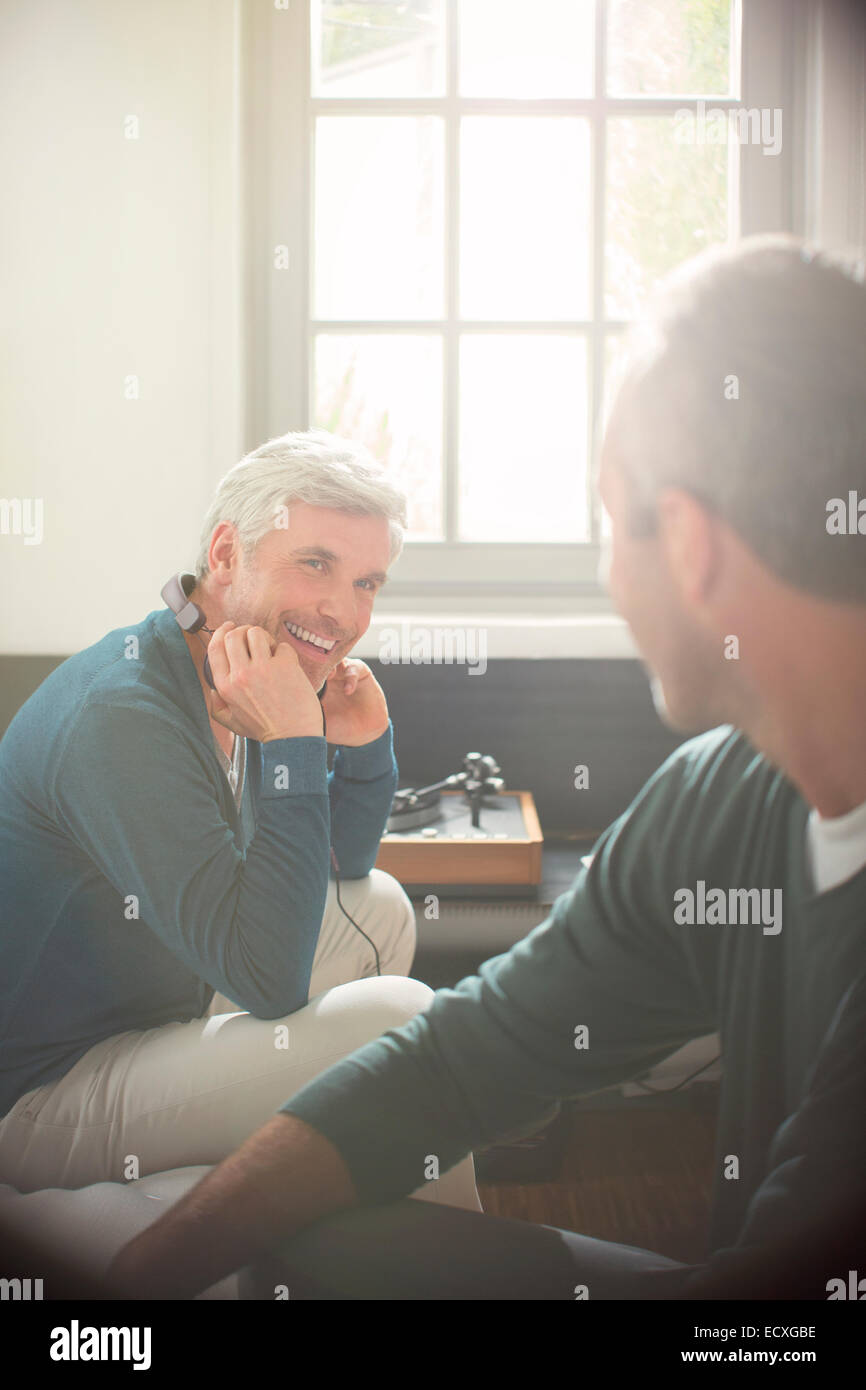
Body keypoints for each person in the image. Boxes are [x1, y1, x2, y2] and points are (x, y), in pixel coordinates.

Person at [104, 235, 866, 1298]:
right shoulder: (718, 798)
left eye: (608, 521)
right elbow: (470, 1054)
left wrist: (315, 749)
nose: (342, 607)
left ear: (687, 544)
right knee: (316, 1245)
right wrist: (142, 1273)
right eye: (318, 564)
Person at [0, 429, 481, 1218]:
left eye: (367, 582)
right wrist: (294, 739)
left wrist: (362, 749)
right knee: (405, 1023)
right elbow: (266, 980)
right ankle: (453, 1265)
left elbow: (342, 868)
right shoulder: (122, 714)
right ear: (225, 555)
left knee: (382, 905)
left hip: (172, 999)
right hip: (44, 1092)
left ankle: (367, 1213)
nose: (345, 610)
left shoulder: (244, 665)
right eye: (316, 564)